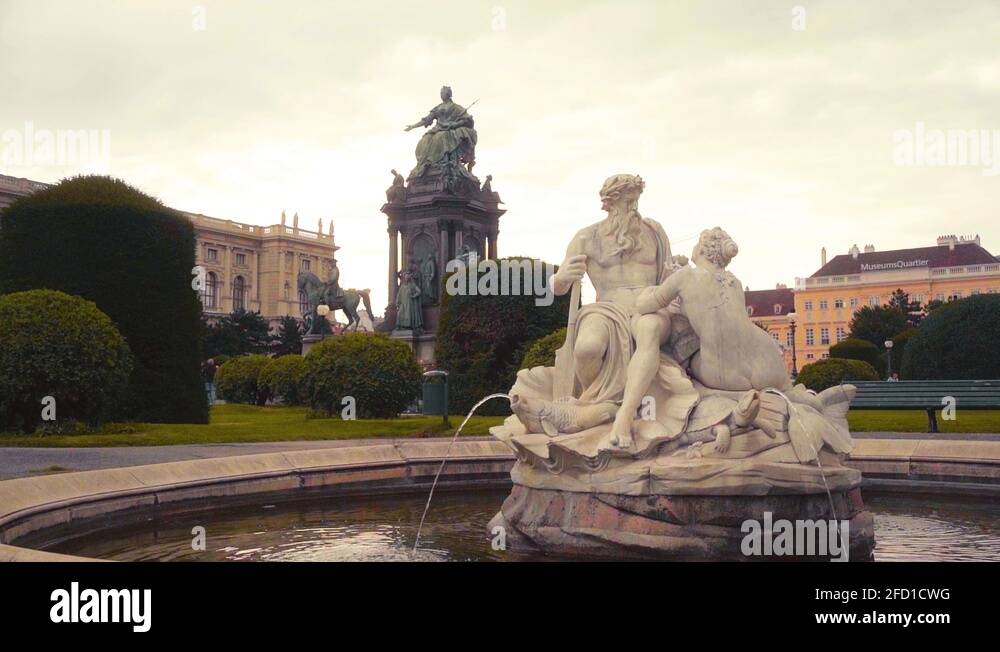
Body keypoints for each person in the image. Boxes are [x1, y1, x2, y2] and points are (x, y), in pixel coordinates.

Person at [550, 173, 695, 450]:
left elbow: (667, 278)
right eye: (628, 202)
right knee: (587, 347)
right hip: (606, 309)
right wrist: (560, 277)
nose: (633, 208)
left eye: (636, 201)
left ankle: (624, 416)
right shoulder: (586, 237)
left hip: (650, 306)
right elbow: (558, 287)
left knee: (649, 329)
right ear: (610, 203)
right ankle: (597, 404)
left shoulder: (654, 232)